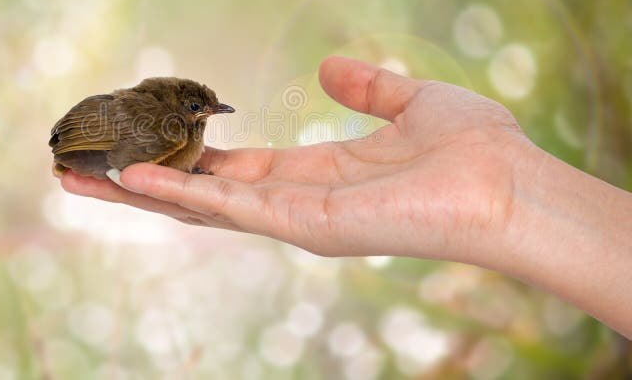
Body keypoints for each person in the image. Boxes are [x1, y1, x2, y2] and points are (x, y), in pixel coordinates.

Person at [59, 55, 632, 339]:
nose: (206, 117)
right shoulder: (163, 126)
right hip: (88, 142)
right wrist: (505, 199)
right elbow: (89, 133)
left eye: (205, 111)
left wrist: (504, 195)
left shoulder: (175, 129)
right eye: (197, 110)